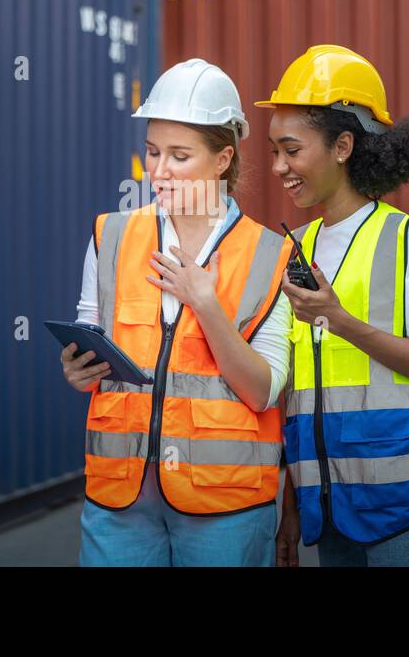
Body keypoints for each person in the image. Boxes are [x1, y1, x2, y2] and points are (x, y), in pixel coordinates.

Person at [60, 58, 294, 566]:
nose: (158, 171)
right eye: (152, 152)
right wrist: (78, 371)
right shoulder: (112, 235)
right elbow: (90, 341)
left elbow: (262, 389)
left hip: (223, 503)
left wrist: (206, 303)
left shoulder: (268, 254)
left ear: (221, 159)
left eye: (179, 155)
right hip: (120, 497)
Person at [260, 45, 409, 567]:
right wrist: (289, 503)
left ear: (342, 146)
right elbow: (296, 386)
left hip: (405, 499)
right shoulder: (298, 247)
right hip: (330, 502)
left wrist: (339, 321)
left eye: (291, 150)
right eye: (273, 151)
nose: (277, 167)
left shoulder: (406, 239)